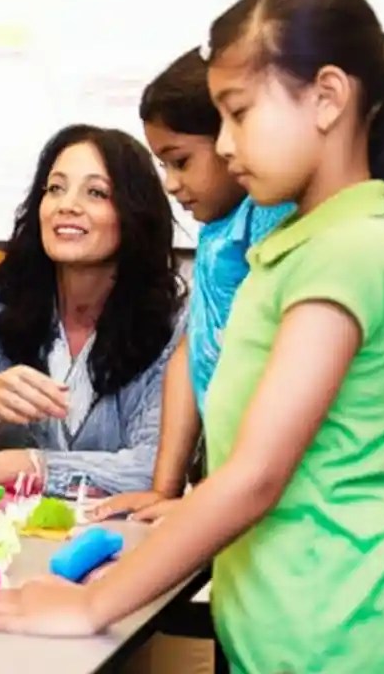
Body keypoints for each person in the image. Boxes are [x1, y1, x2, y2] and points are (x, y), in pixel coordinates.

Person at [0, 0, 384, 673]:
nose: (223, 146)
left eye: (239, 114)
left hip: (333, 618)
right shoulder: (294, 246)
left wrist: (93, 604)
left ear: (329, 98)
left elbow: (256, 476)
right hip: (285, 603)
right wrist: (170, 514)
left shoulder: (345, 254)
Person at [0, 124, 185, 499]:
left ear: (134, 213)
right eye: (55, 188)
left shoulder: (173, 319)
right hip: (3, 539)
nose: (67, 205)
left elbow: (153, 470)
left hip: (115, 543)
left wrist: (32, 464)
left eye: (96, 193)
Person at [91, 48, 293, 522]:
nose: (170, 183)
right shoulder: (216, 230)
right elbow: (192, 351)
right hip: (220, 471)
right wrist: (165, 488)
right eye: (163, 165)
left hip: (268, 479)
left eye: (181, 161)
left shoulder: (267, 219)